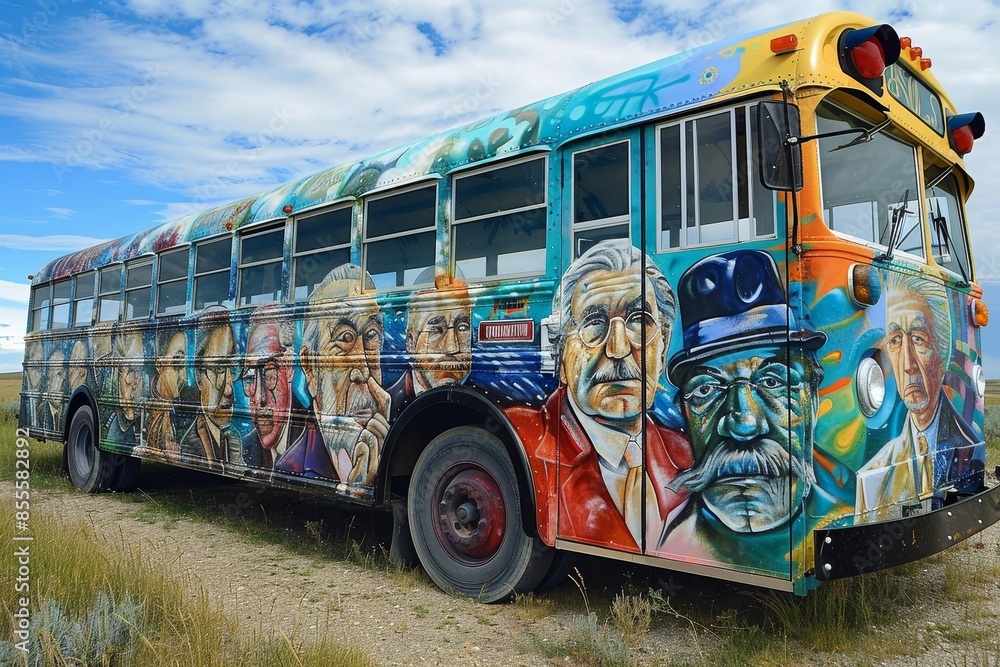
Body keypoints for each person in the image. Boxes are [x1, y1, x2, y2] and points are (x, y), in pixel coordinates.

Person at [506, 240, 693, 553]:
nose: (619, 348)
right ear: (560, 355)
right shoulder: (523, 435)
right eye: (594, 324)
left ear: (663, 347)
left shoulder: (685, 453)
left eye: (639, 321)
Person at [658, 250, 834, 570]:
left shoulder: (848, 511)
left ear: (813, 399)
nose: (744, 423)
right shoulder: (667, 536)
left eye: (772, 381)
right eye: (706, 390)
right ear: (685, 414)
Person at [856, 272, 986, 521]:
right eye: (895, 340)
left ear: (943, 352)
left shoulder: (967, 445)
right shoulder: (872, 476)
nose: (907, 365)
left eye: (918, 339)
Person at [276, 264, 390, 485]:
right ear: (309, 367)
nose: (363, 372)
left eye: (371, 336)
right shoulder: (292, 466)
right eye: (345, 339)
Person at [388, 280, 472, 420]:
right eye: (436, 330)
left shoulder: (479, 396)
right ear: (410, 343)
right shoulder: (388, 402)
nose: (452, 348)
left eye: (462, 328)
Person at [178, 308, 239, 467]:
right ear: (199, 378)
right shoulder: (190, 446)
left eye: (231, 367)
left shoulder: (234, 441)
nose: (229, 390)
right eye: (218, 369)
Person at [240, 304, 299, 469]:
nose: (259, 399)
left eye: (269, 375)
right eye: (250, 378)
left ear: (289, 370)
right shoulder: (247, 447)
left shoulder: (313, 444)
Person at [105, 329, 144, 446]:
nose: (135, 383)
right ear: (119, 376)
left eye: (140, 372)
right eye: (132, 371)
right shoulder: (117, 430)